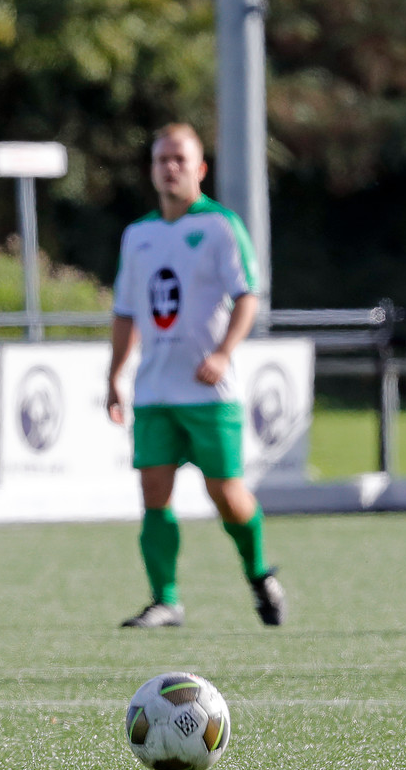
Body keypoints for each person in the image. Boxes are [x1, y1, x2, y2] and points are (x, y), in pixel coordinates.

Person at [106, 123, 286, 629]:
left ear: (200, 168)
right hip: (155, 389)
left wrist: (225, 352)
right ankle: (166, 600)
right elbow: (125, 311)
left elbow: (248, 294)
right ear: (152, 170)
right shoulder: (137, 234)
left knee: (225, 494)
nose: (170, 168)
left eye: (180, 159)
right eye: (162, 159)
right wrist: (115, 374)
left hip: (210, 391)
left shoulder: (220, 226)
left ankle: (260, 574)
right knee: (154, 492)